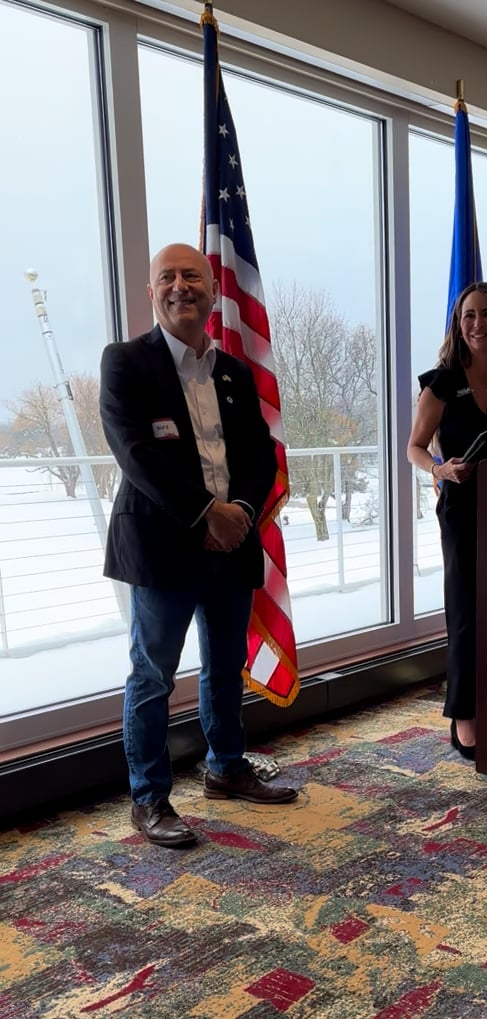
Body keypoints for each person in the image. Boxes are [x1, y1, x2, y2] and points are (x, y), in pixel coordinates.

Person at [101, 243, 298, 849]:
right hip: (163, 549)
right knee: (153, 675)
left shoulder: (235, 372)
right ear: (152, 293)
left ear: (213, 292)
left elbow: (261, 457)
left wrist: (238, 512)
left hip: (232, 544)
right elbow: (135, 453)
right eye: (167, 277)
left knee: (223, 666)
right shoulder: (126, 362)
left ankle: (225, 768)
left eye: (192, 276)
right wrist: (203, 514)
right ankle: (149, 798)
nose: (180, 286)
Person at [407, 282, 487, 758]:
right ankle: (464, 717)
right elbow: (414, 448)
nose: (477, 324)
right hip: (464, 508)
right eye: (468, 316)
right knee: (467, 614)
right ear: (457, 324)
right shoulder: (442, 382)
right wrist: (439, 469)